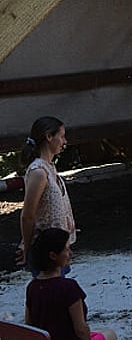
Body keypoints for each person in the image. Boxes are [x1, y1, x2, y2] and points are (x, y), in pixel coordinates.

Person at [25, 228, 125, 340]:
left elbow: (29, 326)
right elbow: (81, 331)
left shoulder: (33, 287)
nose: (70, 253)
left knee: (92, 337)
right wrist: (87, 338)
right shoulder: (69, 288)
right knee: (109, 336)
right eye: (66, 249)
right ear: (53, 255)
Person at [17, 116, 77, 273]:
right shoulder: (38, 172)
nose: (64, 142)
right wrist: (27, 248)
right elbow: (27, 215)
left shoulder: (49, 167)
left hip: (58, 249)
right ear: (49, 137)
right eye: (61, 136)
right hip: (46, 253)